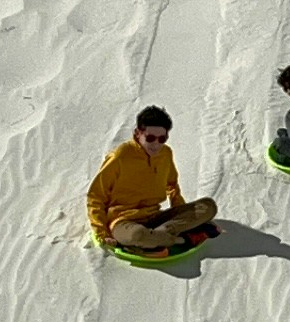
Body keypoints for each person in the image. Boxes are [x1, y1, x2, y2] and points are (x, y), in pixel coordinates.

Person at [88, 106, 217, 252]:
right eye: (150, 138)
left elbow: (172, 184)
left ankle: (160, 236)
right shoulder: (121, 156)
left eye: (162, 139)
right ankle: (176, 239)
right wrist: (101, 232)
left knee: (208, 206)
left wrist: (179, 210)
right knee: (137, 235)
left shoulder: (166, 154)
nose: (156, 144)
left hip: (155, 217)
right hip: (123, 221)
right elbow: (96, 196)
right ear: (138, 133)